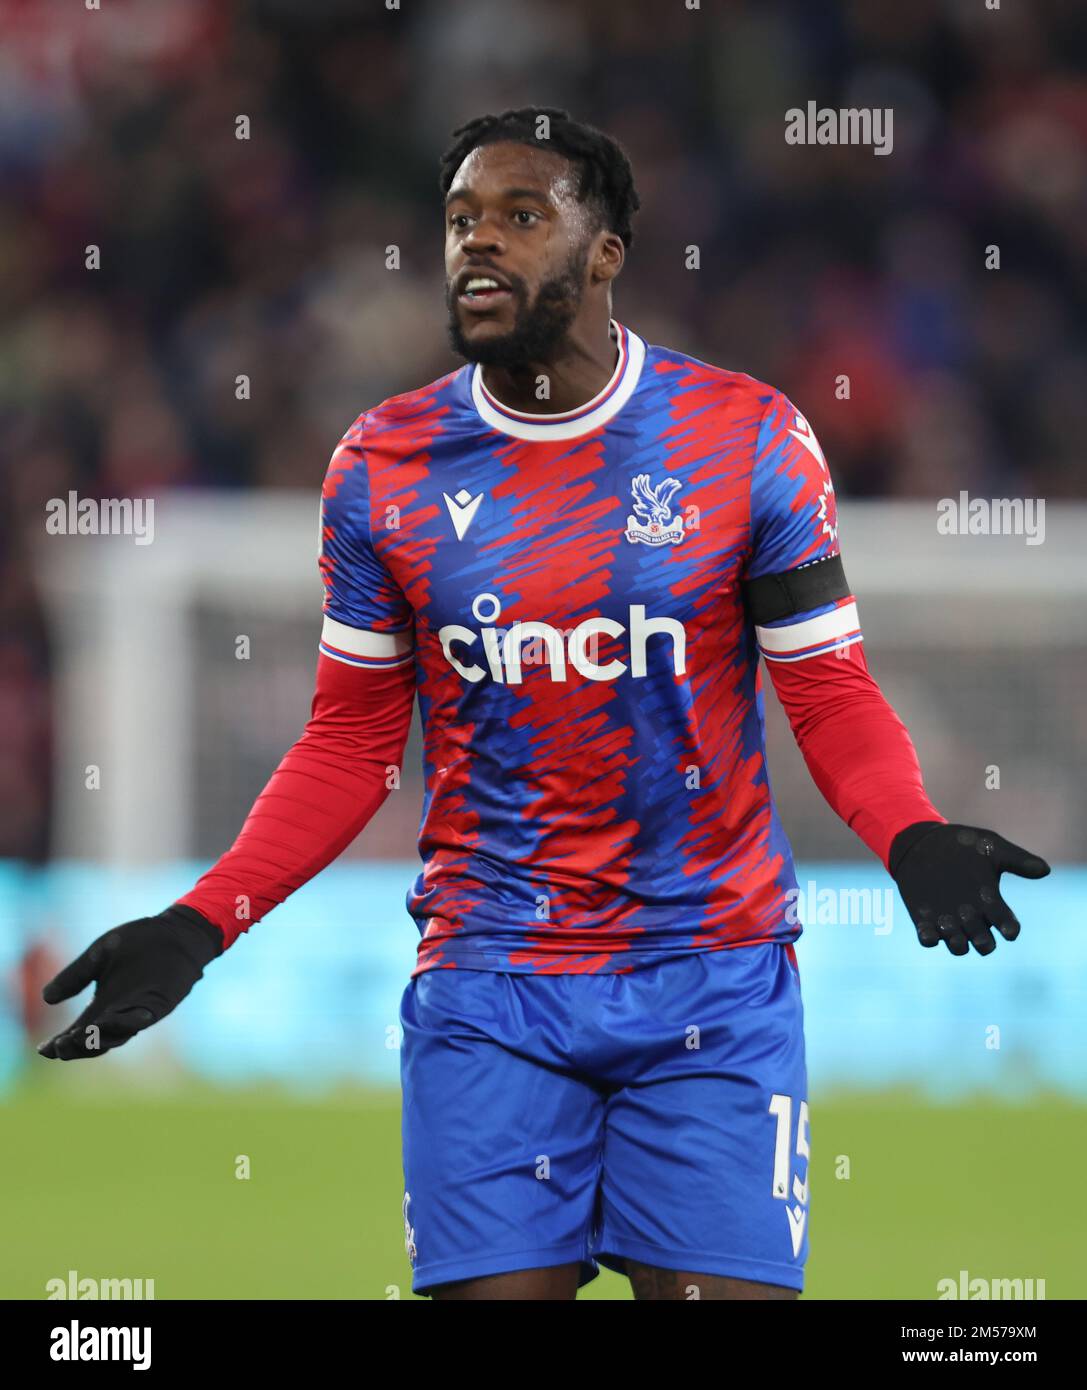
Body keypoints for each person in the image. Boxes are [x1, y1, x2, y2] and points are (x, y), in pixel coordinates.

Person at [39, 107, 1050, 1301]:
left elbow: (823, 690)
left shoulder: (745, 439)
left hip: (711, 975)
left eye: (521, 217)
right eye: (461, 219)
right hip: (490, 983)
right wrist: (200, 923)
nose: (478, 244)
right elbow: (351, 745)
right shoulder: (384, 465)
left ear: (605, 250)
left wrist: (910, 831)